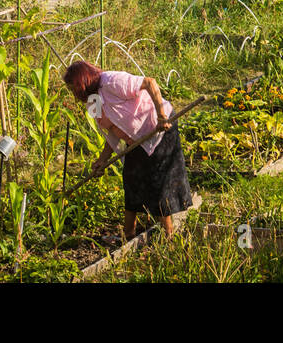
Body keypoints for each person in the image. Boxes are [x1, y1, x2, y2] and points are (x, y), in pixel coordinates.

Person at [63, 59, 192, 241]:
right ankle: (128, 234)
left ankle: (169, 236)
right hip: (136, 140)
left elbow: (150, 82)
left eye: (72, 87)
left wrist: (162, 116)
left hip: (158, 128)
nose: (73, 93)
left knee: (159, 180)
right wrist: (102, 160)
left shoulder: (111, 81)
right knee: (131, 180)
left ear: (81, 82)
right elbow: (112, 133)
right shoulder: (92, 101)